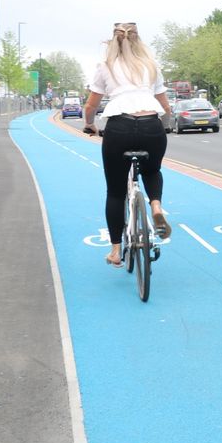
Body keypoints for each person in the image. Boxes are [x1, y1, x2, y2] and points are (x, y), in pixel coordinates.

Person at [82, 22, 172, 268]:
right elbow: (166, 108)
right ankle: (155, 206)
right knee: (153, 170)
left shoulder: (105, 66)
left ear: (114, 42)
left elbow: (91, 106)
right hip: (151, 126)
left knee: (115, 190)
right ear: (138, 40)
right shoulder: (151, 66)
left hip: (118, 128)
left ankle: (115, 250)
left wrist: (90, 124)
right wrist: (162, 127)